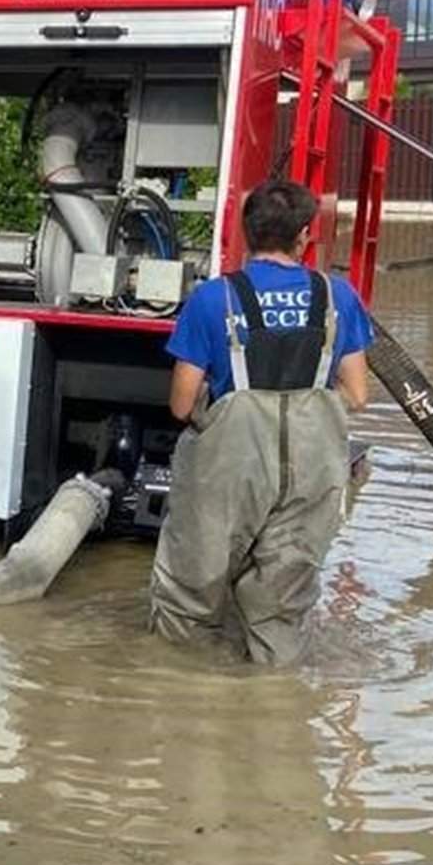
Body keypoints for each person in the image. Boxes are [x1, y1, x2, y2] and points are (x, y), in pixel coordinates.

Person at [148, 177, 371, 665]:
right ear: (304, 236)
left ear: (246, 233)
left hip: (233, 460)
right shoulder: (338, 295)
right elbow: (357, 394)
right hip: (314, 462)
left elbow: (182, 405)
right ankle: (273, 717)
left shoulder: (213, 299)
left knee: (191, 593)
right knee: (281, 604)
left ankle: (174, 703)